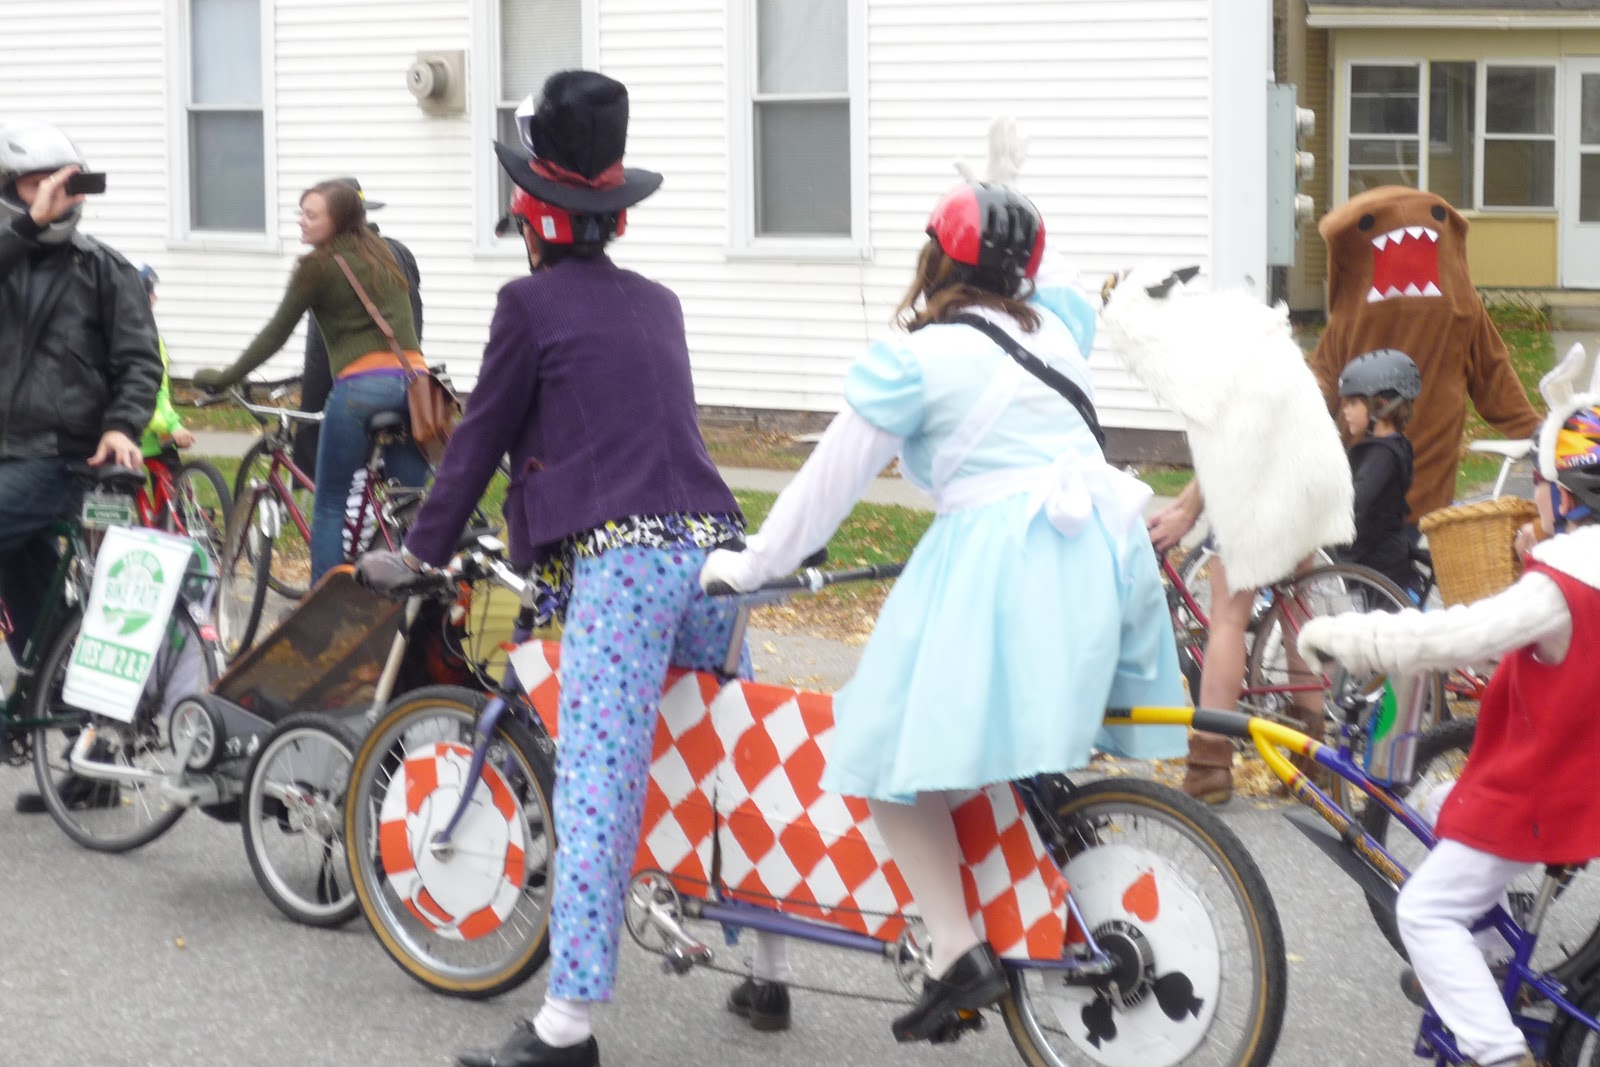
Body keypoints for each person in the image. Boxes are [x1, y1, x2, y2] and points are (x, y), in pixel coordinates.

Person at [355, 71, 779, 1067]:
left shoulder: (528, 306)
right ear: (612, 217)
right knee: (727, 757)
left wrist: (421, 549)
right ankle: (767, 965)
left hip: (623, 563)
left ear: (533, 218)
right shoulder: (659, 302)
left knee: (598, 781)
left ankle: (567, 1025)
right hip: (716, 552)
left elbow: (478, 441)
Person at [699, 180, 1186, 1042]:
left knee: (881, 753)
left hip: (1005, 562)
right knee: (973, 746)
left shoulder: (917, 359)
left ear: (935, 261)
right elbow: (1063, 278)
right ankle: (1002, 906)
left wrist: (753, 565)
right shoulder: (1061, 333)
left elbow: (827, 485)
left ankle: (957, 950)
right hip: (1100, 558)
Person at [1297, 398, 1600, 1067]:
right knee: (1439, 805)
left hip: (1540, 790)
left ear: (1562, 493)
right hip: (1585, 782)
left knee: (1426, 911)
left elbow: (1451, 636)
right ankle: (1490, 966)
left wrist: (1349, 637)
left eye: (1539, 485)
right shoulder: (1574, 571)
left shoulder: (1557, 588)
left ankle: (1499, 1052)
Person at [193, 179, 430, 584]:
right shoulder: (384, 255)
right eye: (300, 212)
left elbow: (276, 334)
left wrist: (226, 377)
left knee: (330, 501)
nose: (300, 222)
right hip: (417, 387)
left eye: (311, 214)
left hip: (361, 390)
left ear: (337, 219)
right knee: (405, 501)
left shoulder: (317, 266)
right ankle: (408, 588)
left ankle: (324, 599)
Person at [0, 121, 160, 654]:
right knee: (30, 584)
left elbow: (139, 361)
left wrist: (121, 424)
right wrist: (24, 229)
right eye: (35, 184)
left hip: (57, 458)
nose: (53, 197)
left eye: (63, 183)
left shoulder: (106, 271)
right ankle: (51, 694)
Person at [292, 178, 421, 474]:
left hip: (361, 386)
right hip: (408, 377)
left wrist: (310, 417)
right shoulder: (396, 252)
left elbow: (320, 351)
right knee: (400, 481)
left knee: (346, 480)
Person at [1333, 348, 1422, 596]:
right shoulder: (1391, 446)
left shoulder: (1381, 455)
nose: (1345, 411)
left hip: (1377, 564)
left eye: (1352, 403)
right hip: (1380, 558)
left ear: (1380, 405)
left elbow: (1359, 502)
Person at [136, 265, 197, 460]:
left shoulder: (146, 335)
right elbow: (148, 391)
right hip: (135, 435)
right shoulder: (142, 340)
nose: (155, 298)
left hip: (144, 431)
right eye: (150, 291)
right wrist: (172, 426)